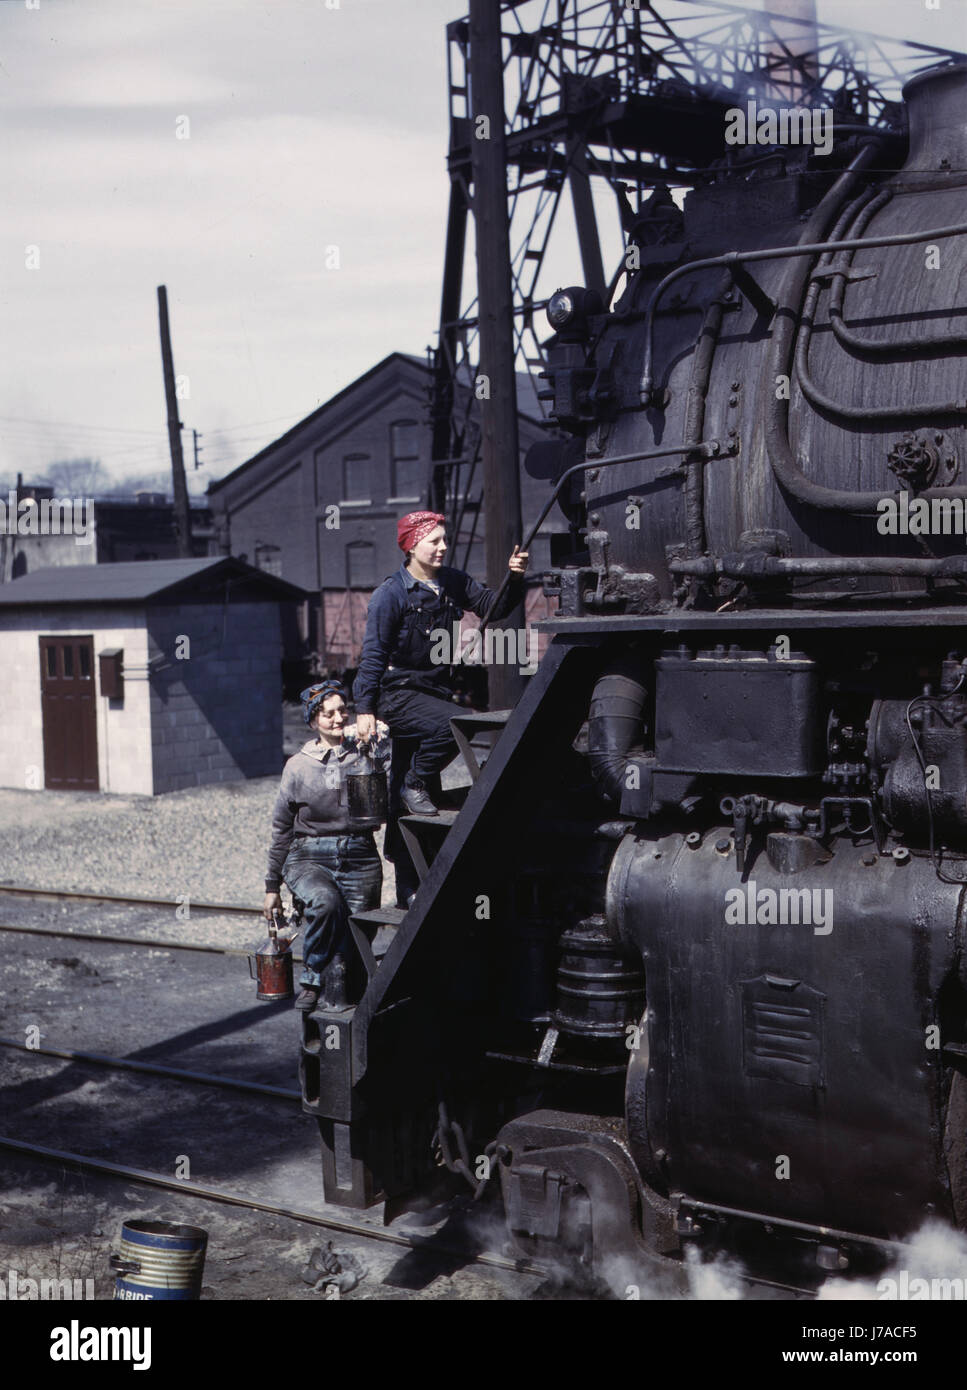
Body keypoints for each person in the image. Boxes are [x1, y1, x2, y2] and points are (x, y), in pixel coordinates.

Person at [353, 510, 528, 816]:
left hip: (433, 692)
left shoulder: (452, 582)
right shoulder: (390, 594)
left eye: (444, 540)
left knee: (410, 796)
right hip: (397, 694)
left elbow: (493, 607)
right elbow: (373, 653)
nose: (443, 546)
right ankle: (415, 783)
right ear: (411, 547)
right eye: (434, 541)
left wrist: (513, 578)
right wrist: (364, 709)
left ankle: (405, 852)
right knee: (456, 724)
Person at [263, 680, 390, 1014]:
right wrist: (271, 886)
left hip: (359, 852)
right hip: (308, 855)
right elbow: (281, 829)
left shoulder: (362, 753)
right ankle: (312, 976)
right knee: (325, 904)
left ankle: (354, 1002)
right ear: (313, 721)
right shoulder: (297, 766)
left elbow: (384, 796)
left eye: (342, 711)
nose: (338, 719)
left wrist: (380, 748)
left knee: (358, 931)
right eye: (328, 713)